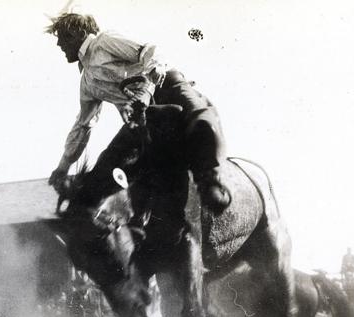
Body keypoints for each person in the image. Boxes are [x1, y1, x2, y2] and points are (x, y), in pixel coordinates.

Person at [45, 12, 231, 210]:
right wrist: (63, 167)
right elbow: (84, 124)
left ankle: (210, 180)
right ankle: (85, 208)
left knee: (198, 116)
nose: (59, 46)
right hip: (142, 117)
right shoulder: (87, 82)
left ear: (79, 32)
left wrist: (149, 83)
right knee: (109, 160)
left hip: (166, 87)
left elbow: (150, 52)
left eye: (63, 38)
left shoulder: (104, 42)